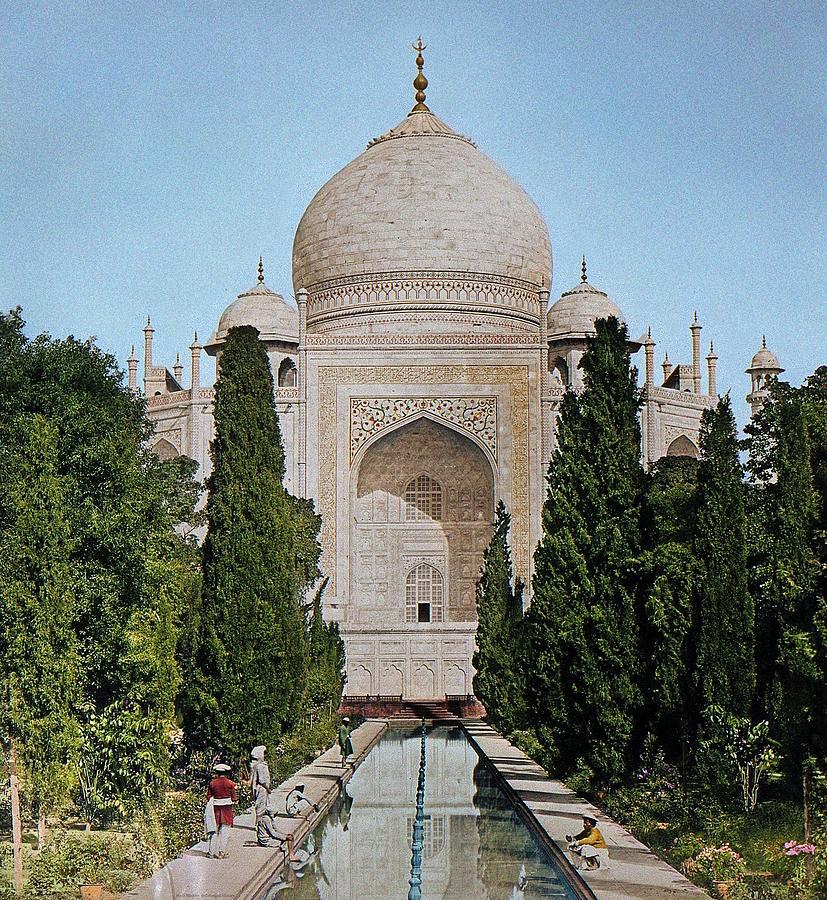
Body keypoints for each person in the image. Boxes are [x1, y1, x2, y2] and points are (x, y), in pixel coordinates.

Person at [206, 763, 237, 859]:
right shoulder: (230, 783)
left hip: (215, 808)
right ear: (226, 773)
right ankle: (221, 852)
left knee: (214, 830)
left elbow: (208, 796)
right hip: (226, 809)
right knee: (225, 830)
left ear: (217, 773)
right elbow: (234, 798)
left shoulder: (212, 783)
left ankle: (211, 852)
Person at [250, 745, 271, 829]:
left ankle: (259, 824)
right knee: (260, 807)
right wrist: (268, 789)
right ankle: (258, 824)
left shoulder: (260, 765)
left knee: (262, 806)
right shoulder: (260, 766)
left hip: (262, 788)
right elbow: (262, 780)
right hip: (262, 788)